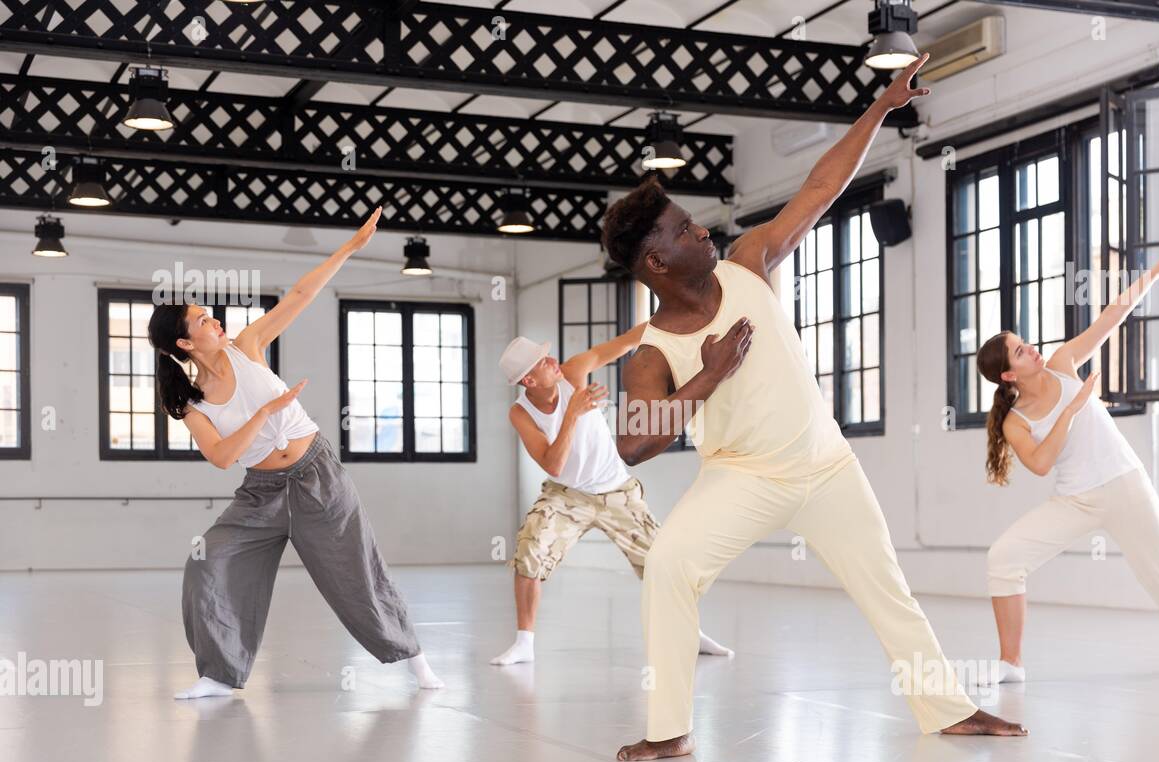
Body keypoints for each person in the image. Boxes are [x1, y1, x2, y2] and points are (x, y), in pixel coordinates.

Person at [604, 53, 1025, 762]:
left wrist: (881, 109)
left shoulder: (748, 263)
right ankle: (670, 728)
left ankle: (948, 710)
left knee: (887, 588)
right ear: (655, 263)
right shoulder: (652, 351)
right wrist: (705, 380)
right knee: (672, 565)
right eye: (683, 231)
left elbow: (822, 185)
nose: (701, 232)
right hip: (743, 477)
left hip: (826, 464)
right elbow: (632, 446)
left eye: (693, 224)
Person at [149, 207, 444, 699]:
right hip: (260, 495)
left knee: (358, 572)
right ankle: (218, 674)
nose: (214, 318)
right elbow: (223, 457)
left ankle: (413, 658)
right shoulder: (190, 403)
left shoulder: (247, 345)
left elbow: (302, 295)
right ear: (185, 341)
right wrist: (265, 414)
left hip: (317, 476)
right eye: (203, 318)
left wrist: (349, 247)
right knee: (207, 562)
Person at [976, 240, 1159, 684]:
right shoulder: (1015, 422)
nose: (1032, 350)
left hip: (1125, 484)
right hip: (1075, 500)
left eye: (1025, 343)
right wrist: (1073, 407)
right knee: (1003, 558)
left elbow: (1110, 317)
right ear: (1008, 375)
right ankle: (1011, 663)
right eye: (1020, 352)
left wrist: (1153, 274)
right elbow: (1041, 465)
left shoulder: (1063, 363)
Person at [495, 331, 732, 665]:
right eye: (543, 361)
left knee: (663, 562)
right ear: (530, 379)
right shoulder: (520, 413)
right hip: (567, 497)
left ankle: (691, 634)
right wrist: (572, 413)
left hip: (617, 490)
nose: (553, 360)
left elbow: (621, 344)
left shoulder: (573, 372)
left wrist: (662, 321)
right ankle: (524, 644)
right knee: (528, 553)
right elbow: (553, 463)